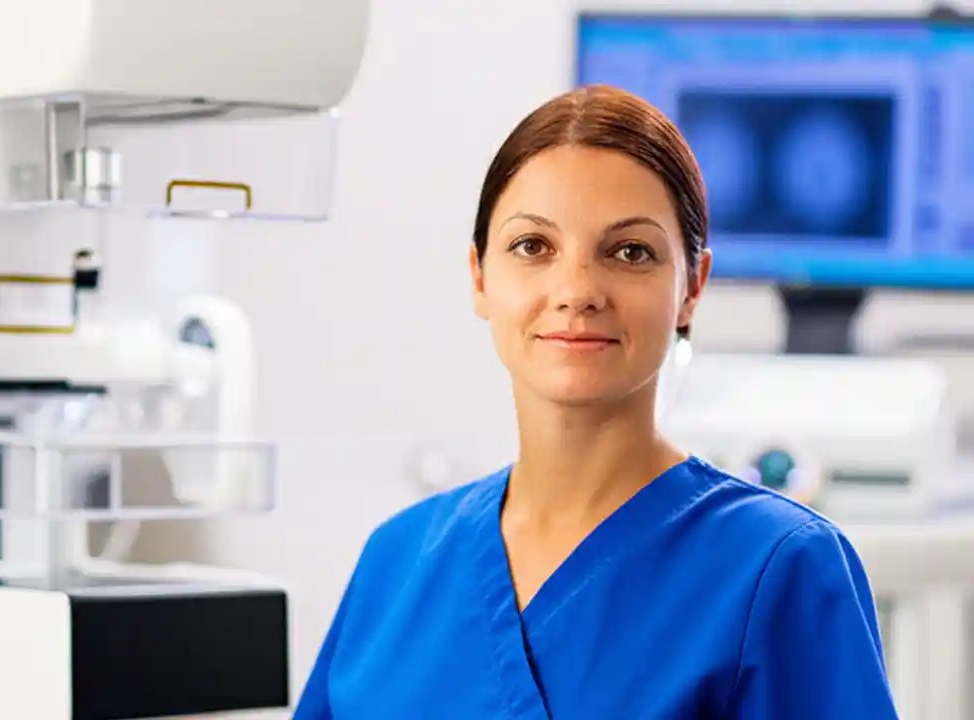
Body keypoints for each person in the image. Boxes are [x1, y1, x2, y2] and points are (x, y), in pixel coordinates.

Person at [293, 85, 897, 719]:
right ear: (479, 275)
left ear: (691, 286)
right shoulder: (398, 562)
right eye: (534, 247)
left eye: (629, 252)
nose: (577, 290)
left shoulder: (780, 568)